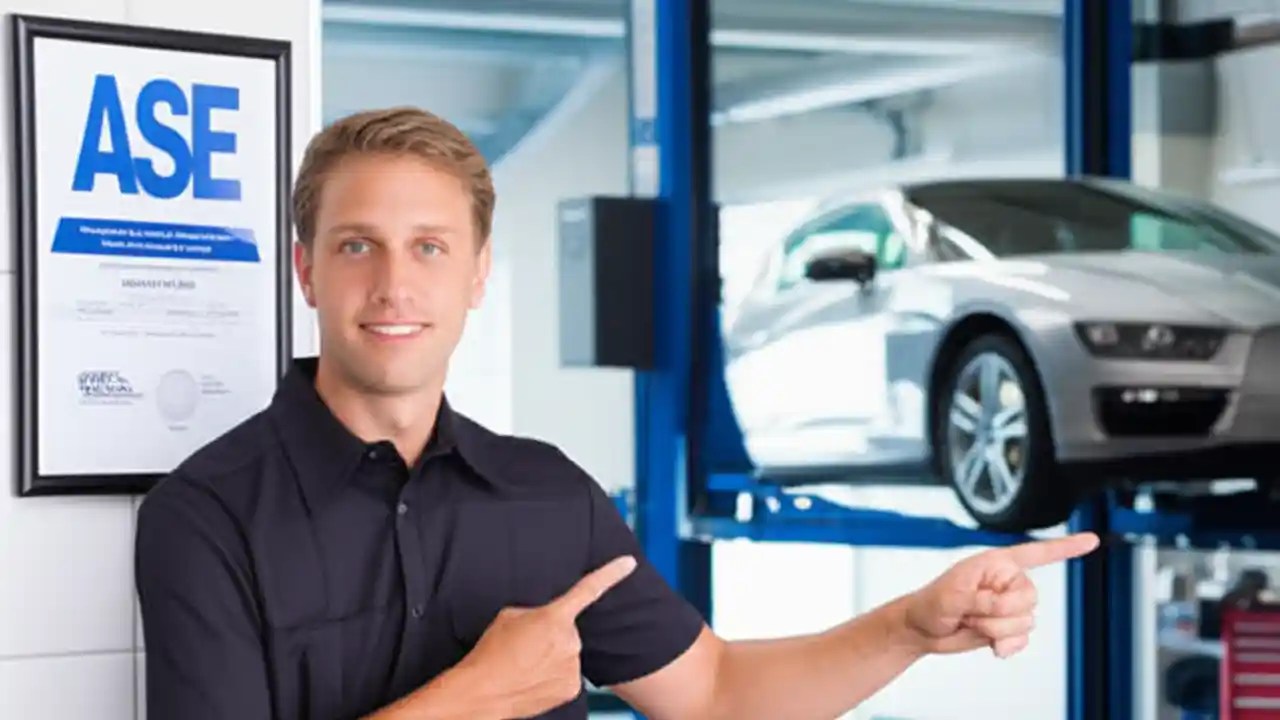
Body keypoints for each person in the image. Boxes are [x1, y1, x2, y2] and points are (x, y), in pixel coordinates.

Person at [134, 106, 1099, 720]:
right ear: (305, 269)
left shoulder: (548, 495)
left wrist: (910, 626)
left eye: (429, 247)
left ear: (477, 276)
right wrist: (476, 698)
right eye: (357, 246)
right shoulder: (206, 516)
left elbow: (715, 693)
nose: (394, 285)